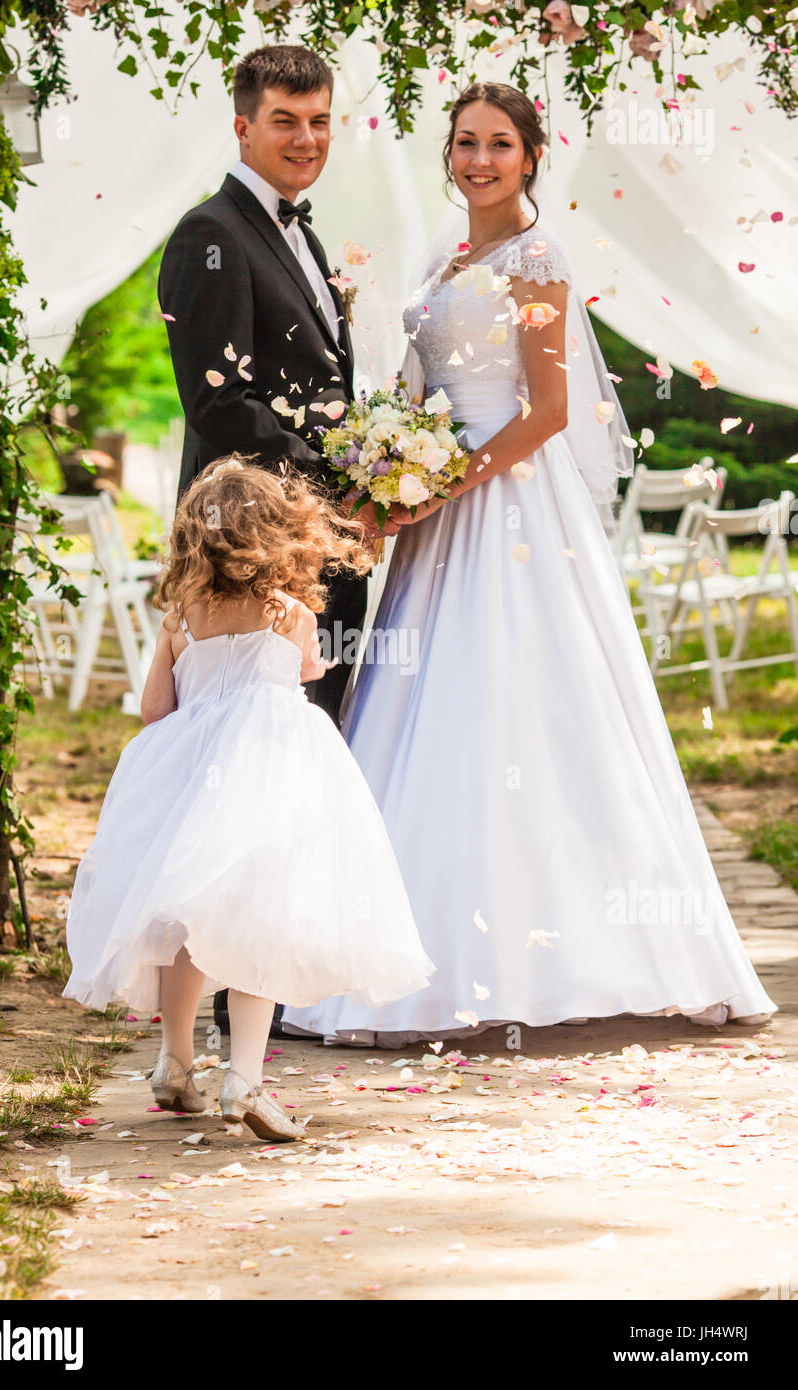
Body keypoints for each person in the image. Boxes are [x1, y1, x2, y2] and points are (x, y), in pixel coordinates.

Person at [281, 82, 776, 1047]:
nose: (478, 160)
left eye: (499, 144)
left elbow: (547, 411)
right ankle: (410, 951)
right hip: (434, 509)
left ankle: (567, 954)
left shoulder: (538, 258)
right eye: (465, 143)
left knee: (524, 701)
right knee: (429, 706)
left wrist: (443, 481)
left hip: (506, 508)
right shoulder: (444, 255)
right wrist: (388, 474)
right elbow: (418, 383)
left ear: (531, 158)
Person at [62, 459, 435, 1138]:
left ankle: (174, 1065)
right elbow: (306, 674)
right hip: (270, 772)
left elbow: (154, 708)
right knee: (262, 917)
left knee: (185, 926)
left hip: (189, 776)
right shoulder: (287, 612)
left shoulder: (183, 615)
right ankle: (245, 1080)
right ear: (278, 535)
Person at [159, 42, 374, 1035]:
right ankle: (226, 1011)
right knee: (241, 786)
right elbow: (225, 402)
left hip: (311, 542)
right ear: (241, 124)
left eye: (320, 120)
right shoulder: (208, 234)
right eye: (285, 120)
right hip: (254, 555)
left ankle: (266, 991)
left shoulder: (298, 235)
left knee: (298, 767)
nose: (306, 139)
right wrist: (340, 485)